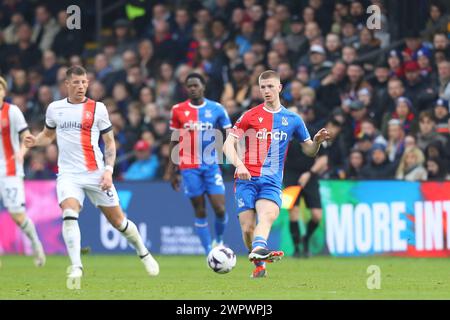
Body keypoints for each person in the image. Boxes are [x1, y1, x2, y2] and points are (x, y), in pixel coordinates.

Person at [24, 66, 159, 280]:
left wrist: (108, 171)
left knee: (119, 222)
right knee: (69, 214)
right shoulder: (54, 108)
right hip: (68, 174)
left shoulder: (98, 109)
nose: (81, 86)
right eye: (76, 82)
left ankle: (144, 253)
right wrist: (35, 141)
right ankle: (77, 266)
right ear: (66, 84)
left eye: (84, 82)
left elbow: (109, 143)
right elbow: (48, 136)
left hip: (95, 173)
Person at [223, 70, 330, 278]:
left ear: (279, 88)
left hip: (271, 181)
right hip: (246, 179)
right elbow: (228, 144)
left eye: (270, 86)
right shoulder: (250, 115)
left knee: (268, 215)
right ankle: (258, 260)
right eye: (262, 87)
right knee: (247, 229)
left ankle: (260, 249)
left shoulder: (293, 119)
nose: (266, 91)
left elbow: (309, 151)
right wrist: (239, 165)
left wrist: (316, 142)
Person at [167, 73, 232, 254]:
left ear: (203, 86)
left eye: (196, 85)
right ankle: (208, 253)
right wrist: (173, 170)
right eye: (189, 86)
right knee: (200, 209)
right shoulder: (177, 110)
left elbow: (230, 134)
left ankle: (218, 241)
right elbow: (174, 140)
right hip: (188, 167)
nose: (193, 89)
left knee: (219, 208)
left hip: (211, 165)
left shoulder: (217, 109)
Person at [0, 76, 46, 267]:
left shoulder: (12, 112)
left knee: (17, 215)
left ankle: (36, 245)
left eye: (0, 89)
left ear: (4, 92)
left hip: (10, 169)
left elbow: (26, 136)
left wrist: (21, 152)